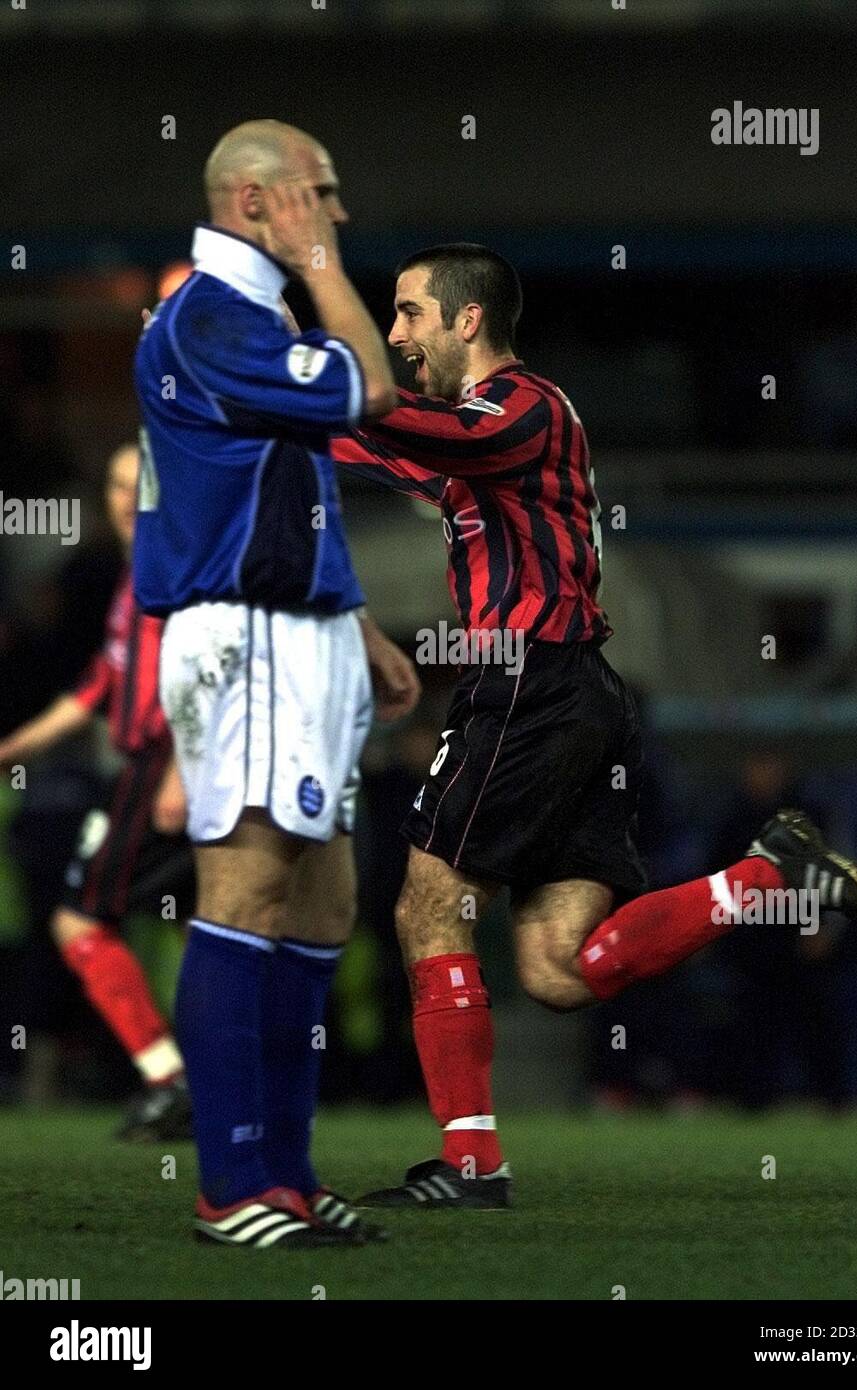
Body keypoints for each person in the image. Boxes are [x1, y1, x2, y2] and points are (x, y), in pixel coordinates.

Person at [332, 243, 857, 1210]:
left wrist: (309, 374)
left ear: (467, 319)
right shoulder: (475, 443)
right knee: (558, 969)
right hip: (577, 695)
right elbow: (371, 448)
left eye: (409, 312)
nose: (395, 332)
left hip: (529, 685)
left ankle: (471, 1168)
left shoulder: (522, 406)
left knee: (428, 905)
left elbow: (397, 424)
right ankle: (765, 878)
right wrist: (261, 417)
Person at [134, 119, 420, 1249]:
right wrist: (323, 269)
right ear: (256, 200)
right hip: (246, 638)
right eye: (320, 192)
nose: (335, 213)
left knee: (322, 905)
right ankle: (229, 1187)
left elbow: (281, 495)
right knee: (245, 894)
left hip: (303, 627)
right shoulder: (212, 315)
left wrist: (357, 622)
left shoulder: (247, 320)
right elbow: (371, 389)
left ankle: (287, 1176)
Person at [0, 442, 194, 1140]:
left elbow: (209, 667)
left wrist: (178, 768)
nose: (126, 499)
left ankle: (171, 1080)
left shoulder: (179, 569)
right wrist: (12, 751)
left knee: (79, 922)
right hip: (161, 766)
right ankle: (221, 1088)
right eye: (114, 484)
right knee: (214, 930)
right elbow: (97, 687)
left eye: (140, 484)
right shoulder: (135, 574)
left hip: (163, 765)